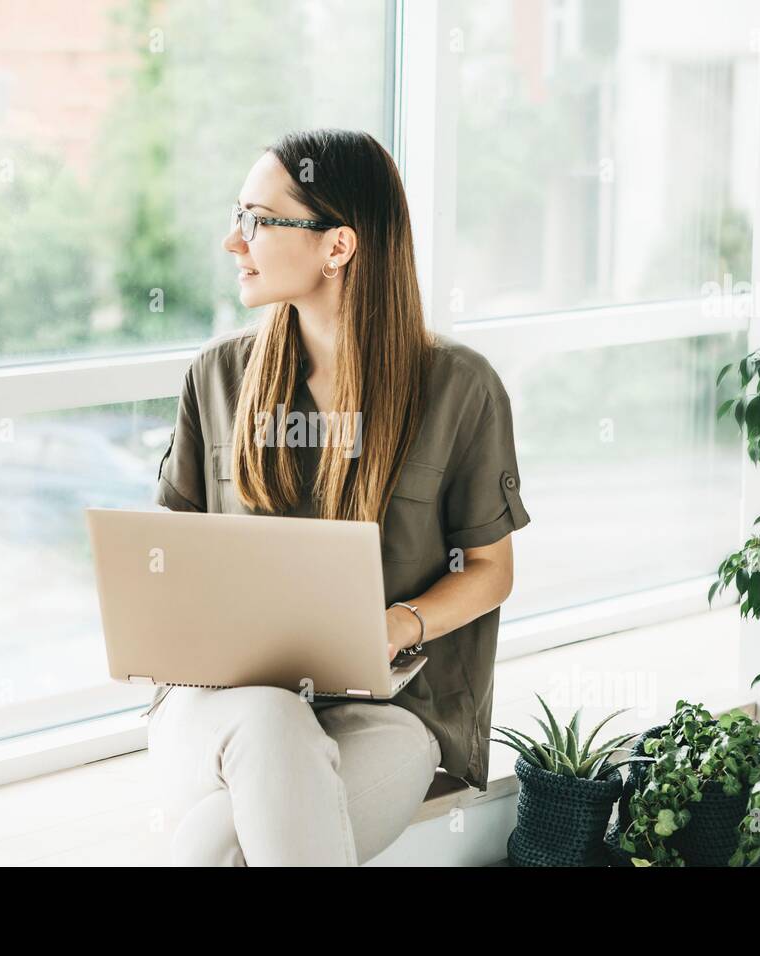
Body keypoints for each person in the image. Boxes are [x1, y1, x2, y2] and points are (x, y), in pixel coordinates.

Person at [146, 128, 531, 865]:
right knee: (267, 719)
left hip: (384, 711)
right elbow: (169, 554)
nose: (234, 241)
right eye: (238, 215)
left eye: (259, 219)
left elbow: (490, 567)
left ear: (338, 247)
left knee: (215, 844)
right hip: (218, 706)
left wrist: (393, 625)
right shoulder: (216, 377)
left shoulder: (461, 387)